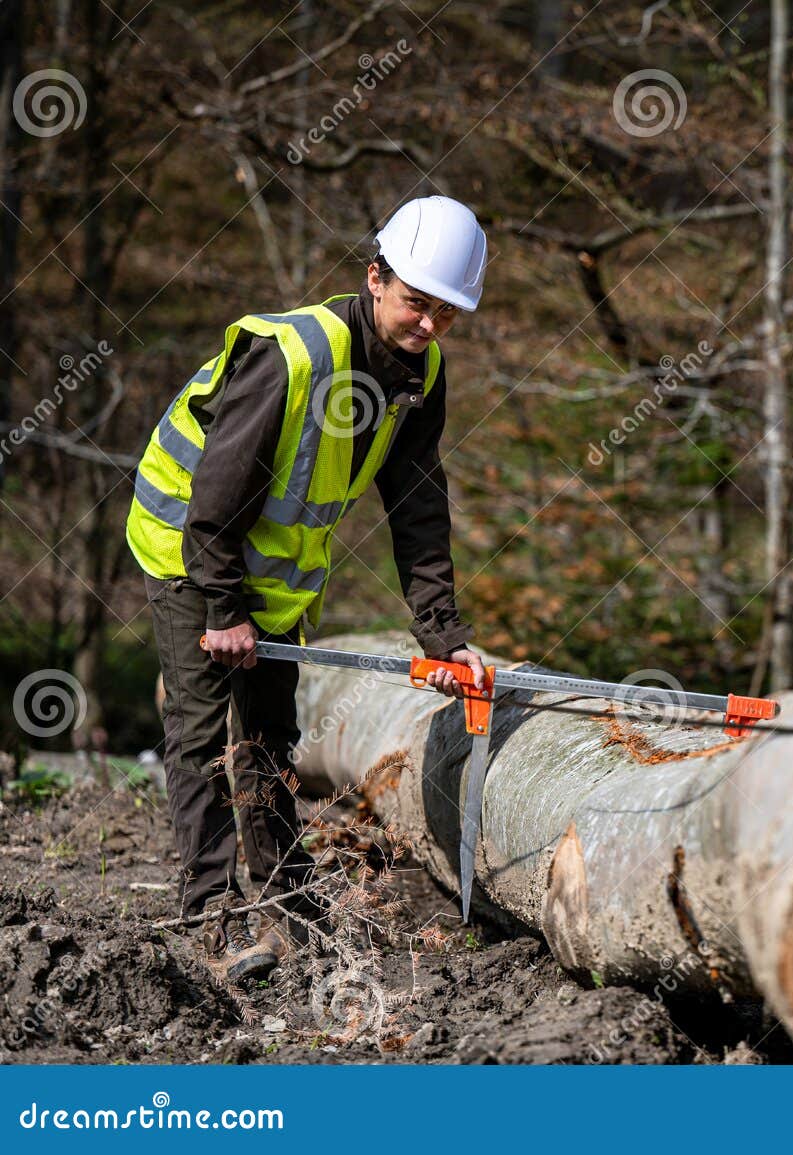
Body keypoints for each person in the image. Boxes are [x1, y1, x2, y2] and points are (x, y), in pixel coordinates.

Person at [125, 195, 490, 984]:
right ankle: (210, 919)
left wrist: (444, 634)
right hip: (191, 549)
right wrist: (223, 607)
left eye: (447, 312)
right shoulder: (294, 355)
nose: (429, 325)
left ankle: (288, 901)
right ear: (375, 278)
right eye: (416, 303)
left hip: (268, 575)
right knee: (199, 734)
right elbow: (216, 492)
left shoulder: (420, 372)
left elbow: (418, 502)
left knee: (268, 735)